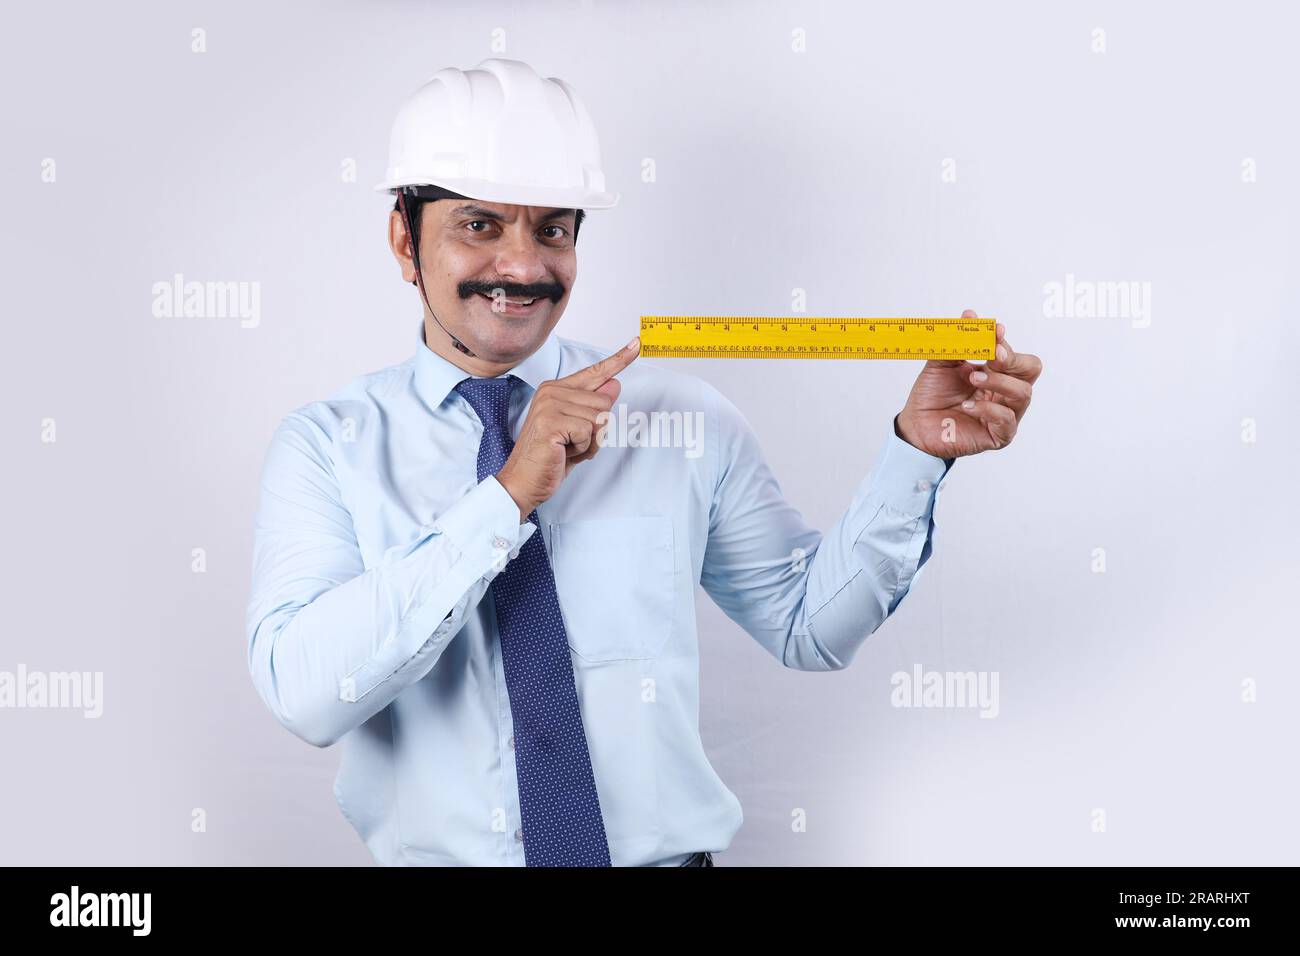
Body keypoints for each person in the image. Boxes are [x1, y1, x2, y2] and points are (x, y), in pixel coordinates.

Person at [245, 58, 1043, 867]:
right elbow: (308, 696)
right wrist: (506, 495)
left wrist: (914, 454)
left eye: (552, 228)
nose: (522, 268)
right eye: (479, 225)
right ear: (404, 238)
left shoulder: (680, 421)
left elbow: (810, 627)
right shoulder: (326, 447)